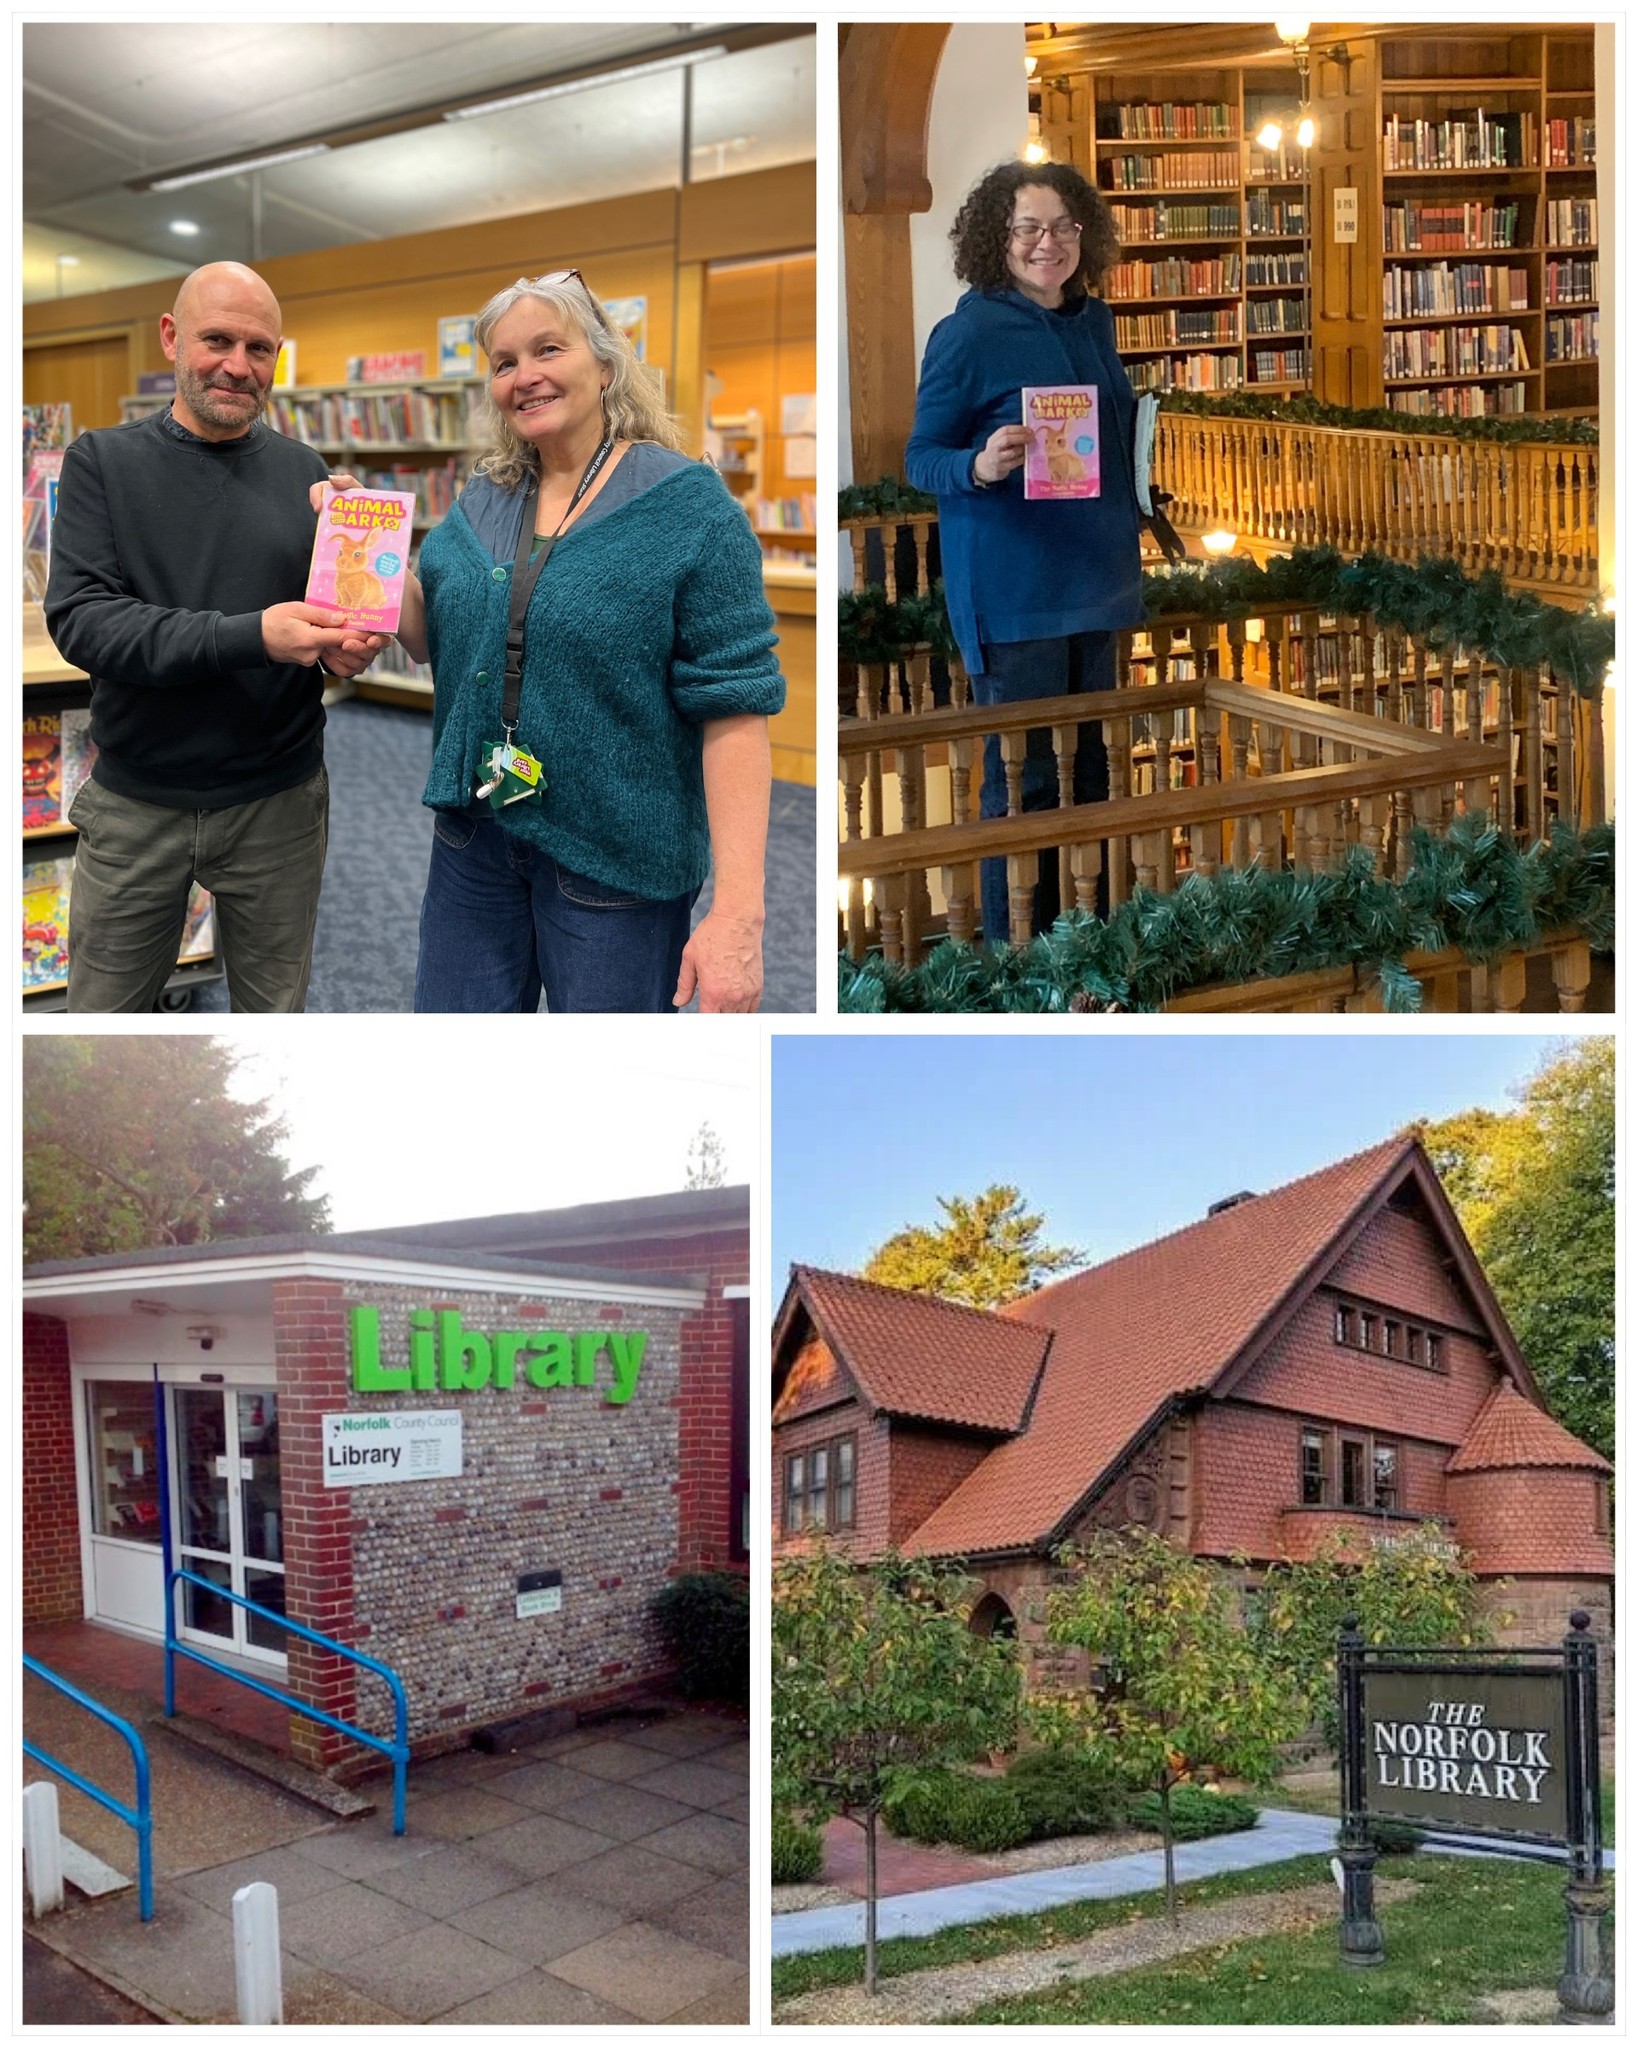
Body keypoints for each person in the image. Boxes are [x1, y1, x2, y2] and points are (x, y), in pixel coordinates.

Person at [389, 269, 785, 1013]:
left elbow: (734, 707)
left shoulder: (689, 508)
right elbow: (433, 634)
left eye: (548, 349)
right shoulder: (484, 497)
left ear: (605, 364)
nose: (524, 376)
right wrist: (360, 558)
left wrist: (739, 913)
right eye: (504, 363)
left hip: (615, 858)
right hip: (476, 835)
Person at [45, 261, 382, 1012]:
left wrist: (345, 643)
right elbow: (84, 622)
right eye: (217, 340)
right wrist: (253, 636)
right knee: (101, 1029)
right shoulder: (102, 462)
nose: (237, 365)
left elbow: (323, 622)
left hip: (281, 799)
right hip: (138, 803)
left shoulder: (305, 471)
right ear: (171, 338)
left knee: (273, 1025)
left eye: (259, 349)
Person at [905, 161, 1144, 945]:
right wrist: (978, 465)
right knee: (1025, 785)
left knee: (1099, 777)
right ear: (996, 238)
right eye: (1029, 228)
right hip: (1015, 596)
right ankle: (1018, 957)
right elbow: (921, 458)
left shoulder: (1096, 322)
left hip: (1100, 581)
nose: (1049, 243)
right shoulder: (968, 333)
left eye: (1064, 226)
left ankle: (1093, 948)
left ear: (1085, 234)